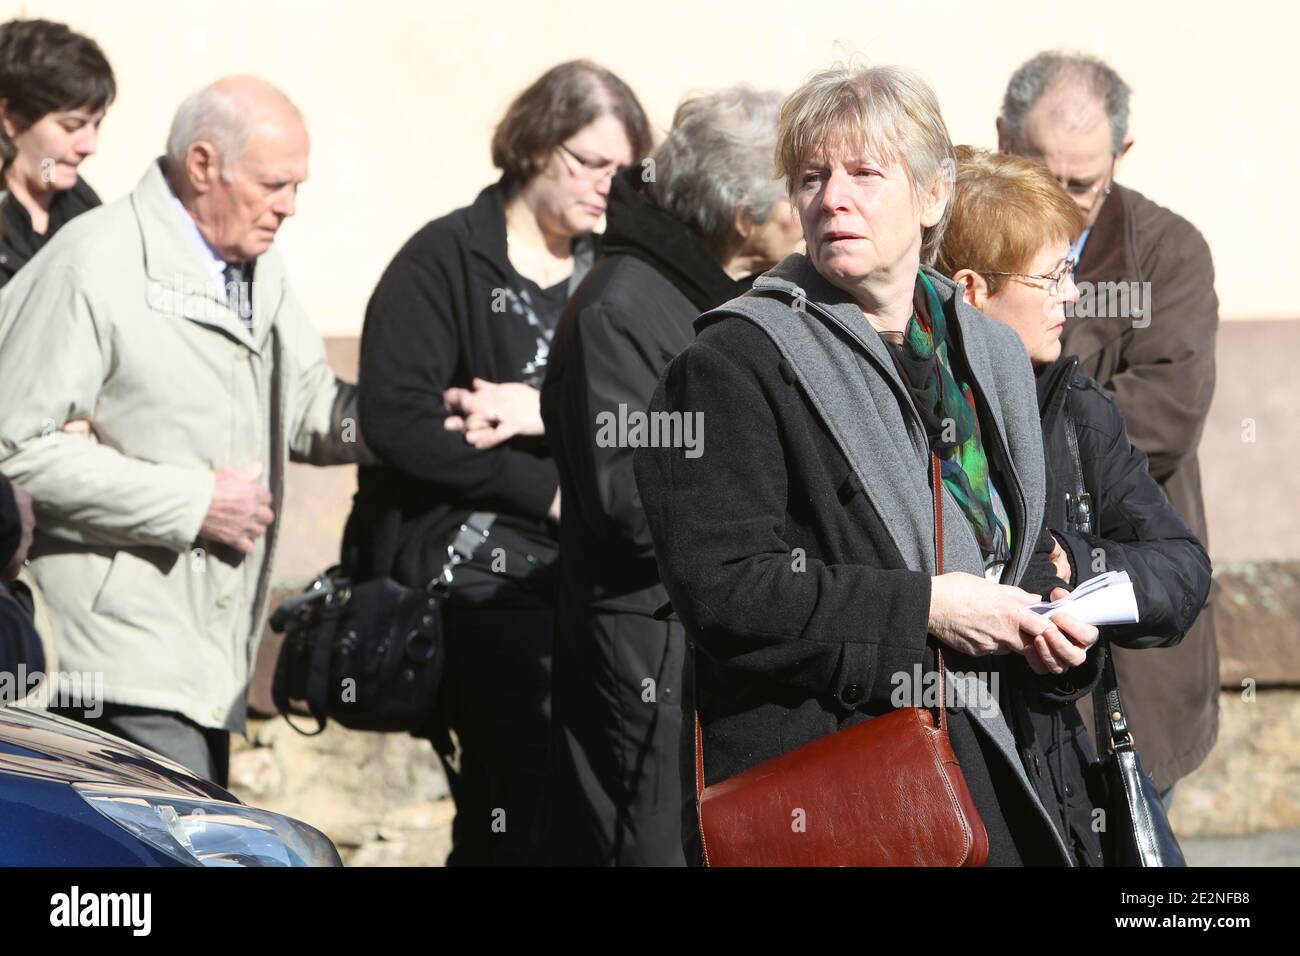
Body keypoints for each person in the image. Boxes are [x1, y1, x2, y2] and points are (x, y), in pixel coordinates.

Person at [634, 64, 1102, 866]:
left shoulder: (988, 348)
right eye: (811, 176)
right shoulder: (733, 363)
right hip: (850, 787)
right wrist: (923, 609)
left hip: (1004, 760)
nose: (831, 197)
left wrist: (1048, 624)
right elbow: (725, 592)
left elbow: (1007, 551)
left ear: (931, 197)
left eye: (863, 173)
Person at [0, 76, 367, 786]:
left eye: (298, 185)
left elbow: (307, 410)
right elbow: (11, 447)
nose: (290, 207)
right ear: (203, 165)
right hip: (113, 669)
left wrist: (418, 417)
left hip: (207, 665)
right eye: (273, 184)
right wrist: (192, 503)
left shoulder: (256, 265)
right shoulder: (93, 263)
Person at [341, 60, 652, 867]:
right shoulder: (442, 260)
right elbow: (401, 423)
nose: (606, 188)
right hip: (467, 563)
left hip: (587, 553)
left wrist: (541, 408)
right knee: (516, 798)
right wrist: (547, 487)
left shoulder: (615, 268)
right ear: (534, 145)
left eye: (624, 172)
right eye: (590, 163)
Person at [538, 86, 803, 866]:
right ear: (742, 215)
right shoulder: (623, 309)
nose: (818, 207)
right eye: (799, 188)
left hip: (718, 648)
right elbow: (627, 496)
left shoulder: (740, 295)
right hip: (647, 660)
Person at [937, 145, 1213, 864]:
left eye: (1072, 270)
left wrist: (1082, 571)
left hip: (1060, 775)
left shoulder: (1073, 403)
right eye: (1052, 276)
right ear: (970, 291)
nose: (1072, 296)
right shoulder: (907, 417)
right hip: (947, 790)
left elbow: (1182, 569)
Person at [998, 51, 1220, 801]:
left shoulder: (1169, 253)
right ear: (1001, 141)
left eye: (1081, 185)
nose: (1058, 204)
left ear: (1121, 156)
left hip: (1132, 651)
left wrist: (1033, 427)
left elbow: (1168, 414)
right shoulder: (960, 238)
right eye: (1038, 174)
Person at [0, 18, 114, 287]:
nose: (89, 146)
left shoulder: (86, 211)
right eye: (71, 126)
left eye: (96, 124)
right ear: (11, 119)